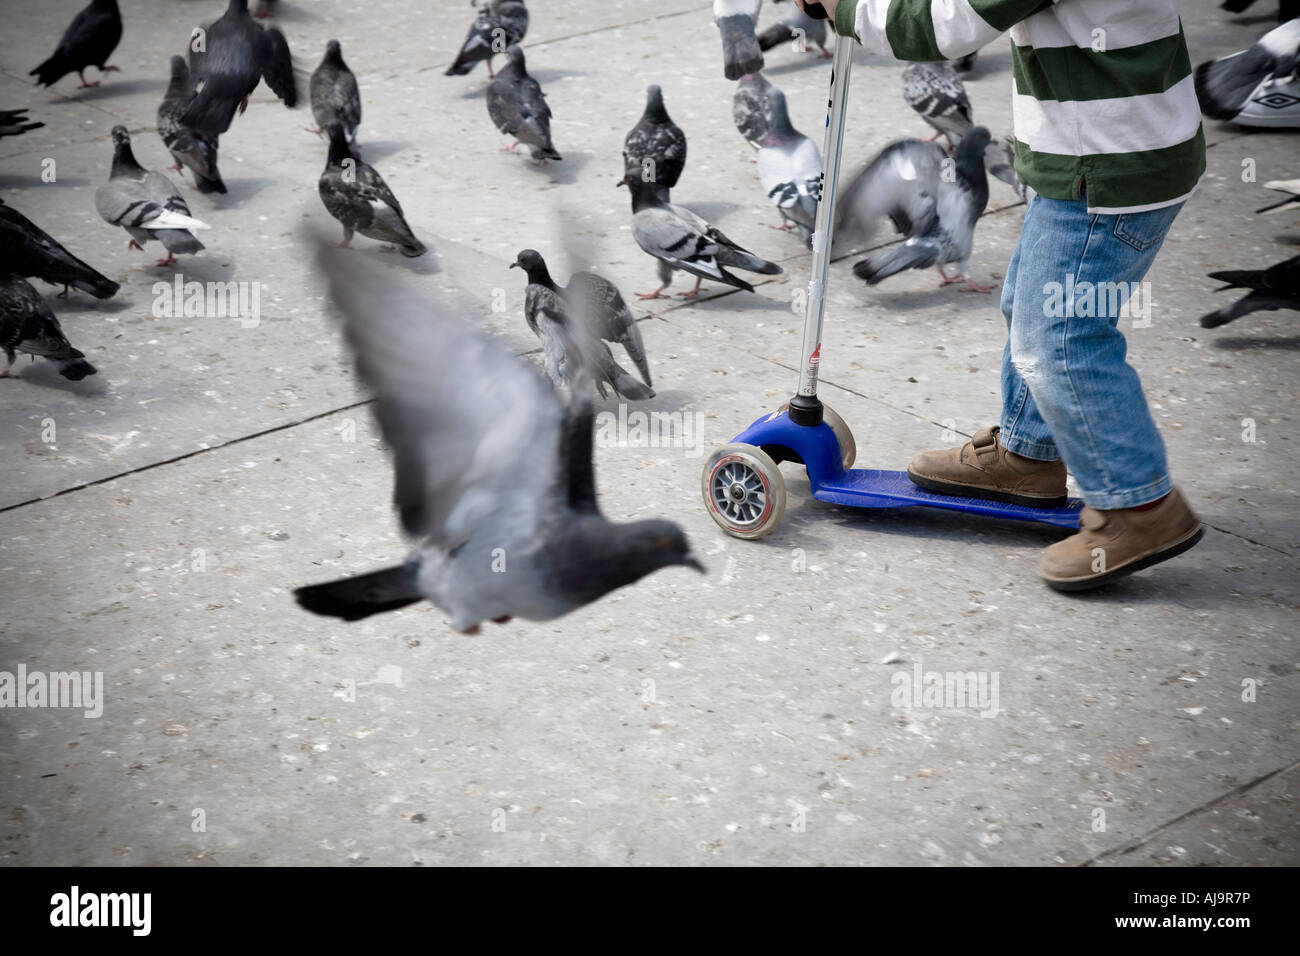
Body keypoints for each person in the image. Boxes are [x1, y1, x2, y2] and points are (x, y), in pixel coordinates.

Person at [795, 0, 1206, 591]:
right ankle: (1029, 455)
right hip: (1098, 145)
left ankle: (1139, 508)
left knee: (1058, 340)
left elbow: (949, 23)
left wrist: (848, 7)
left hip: (1107, 161)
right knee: (1028, 306)